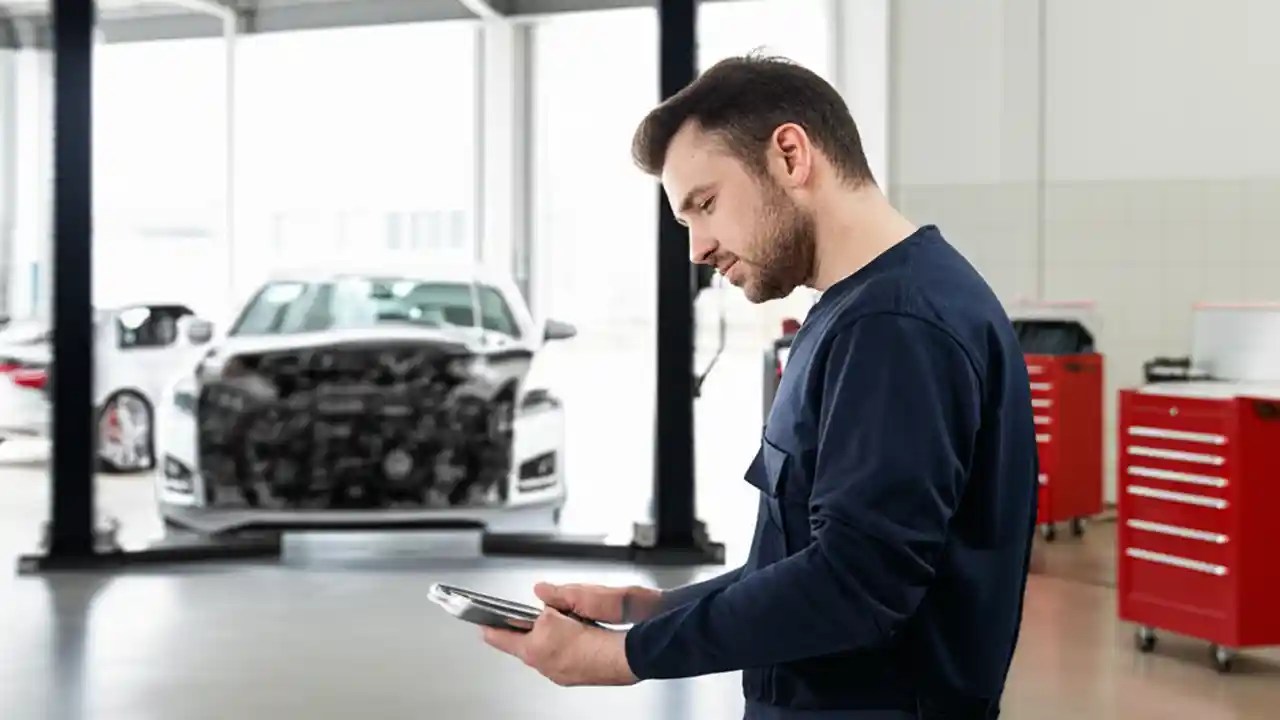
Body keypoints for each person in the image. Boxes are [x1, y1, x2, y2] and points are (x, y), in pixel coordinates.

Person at [481, 54, 1039, 720]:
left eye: (705, 205)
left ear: (790, 155)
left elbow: (855, 586)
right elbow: (809, 556)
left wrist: (621, 659)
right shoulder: (860, 309)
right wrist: (646, 611)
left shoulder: (896, 325)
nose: (697, 248)